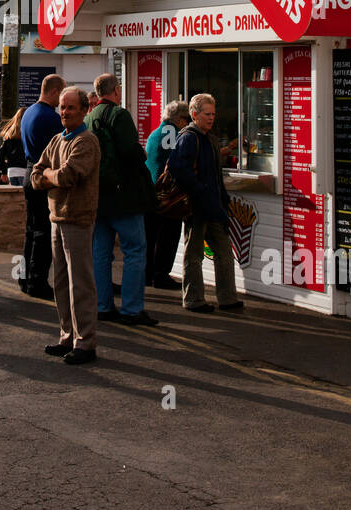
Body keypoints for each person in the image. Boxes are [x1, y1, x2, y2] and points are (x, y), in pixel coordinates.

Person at [31, 86, 101, 365]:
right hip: (56, 217)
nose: (64, 112)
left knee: (80, 283)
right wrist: (51, 174)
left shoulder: (87, 141)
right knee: (61, 282)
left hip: (78, 218)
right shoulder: (57, 139)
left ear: (84, 110)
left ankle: (85, 342)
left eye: (71, 107)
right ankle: (67, 336)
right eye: (62, 106)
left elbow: (68, 176)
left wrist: (50, 174)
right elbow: (35, 176)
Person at [85, 73, 158, 326]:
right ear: (116, 91)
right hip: (124, 195)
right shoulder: (119, 115)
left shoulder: (89, 118)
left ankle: (103, 306)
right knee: (135, 251)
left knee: (100, 252)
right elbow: (131, 152)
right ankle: (131, 309)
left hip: (98, 195)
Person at [167, 92, 243, 314]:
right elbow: (177, 168)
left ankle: (227, 298)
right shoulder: (189, 138)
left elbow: (215, 175)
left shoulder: (209, 138)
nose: (211, 118)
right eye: (207, 114)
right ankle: (193, 299)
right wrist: (199, 191)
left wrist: (222, 199)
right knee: (194, 255)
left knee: (224, 253)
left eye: (213, 114)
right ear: (194, 114)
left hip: (213, 206)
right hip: (197, 207)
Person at [19, 74, 66, 299]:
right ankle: (37, 282)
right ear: (55, 91)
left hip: (29, 172)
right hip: (42, 176)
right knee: (42, 232)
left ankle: (23, 276)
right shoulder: (50, 117)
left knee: (30, 230)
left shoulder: (28, 112)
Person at [145, 99, 190, 291]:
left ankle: (149, 274)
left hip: (151, 193)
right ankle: (161, 275)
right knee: (168, 236)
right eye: (187, 119)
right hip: (165, 195)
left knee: (152, 236)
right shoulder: (171, 131)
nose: (188, 123)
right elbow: (173, 160)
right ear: (179, 119)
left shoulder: (157, 131)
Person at [0, 107, 27, 182]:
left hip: (11, 171)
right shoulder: (27, 134)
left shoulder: (9, 136)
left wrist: (3, 172)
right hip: (25, 171)